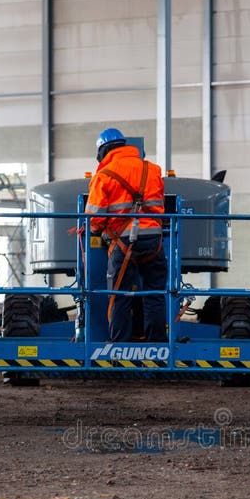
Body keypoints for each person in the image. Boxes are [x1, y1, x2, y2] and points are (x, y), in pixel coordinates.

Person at [85, 127, 168, 342]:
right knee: (155, 294)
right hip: (153, 240)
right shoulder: (153, 170)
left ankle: (118, 346)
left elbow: (94, 218)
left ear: (102, 152)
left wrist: (95, 233)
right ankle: (157, 346)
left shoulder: (103, 176)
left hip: (123, 243)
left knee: (120, 295)